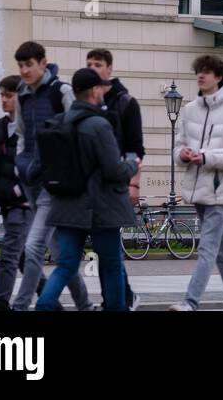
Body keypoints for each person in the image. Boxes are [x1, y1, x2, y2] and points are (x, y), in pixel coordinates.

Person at [35, 68, 137, 311]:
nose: (103, 91)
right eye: (100, 87)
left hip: (66, 206)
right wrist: (132, 165)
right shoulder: (98, 125)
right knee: (111, 264)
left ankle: (44, 305)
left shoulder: (58, 122)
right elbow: (114, 170)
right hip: (101, 208)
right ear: (94, 91)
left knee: (66, 265)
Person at [10, 40, 93, 311]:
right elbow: (22, 134)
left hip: (55, 184)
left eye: (29, 65)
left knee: (33, 247)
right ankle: (85, 305)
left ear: (43, 63)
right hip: (31, 179)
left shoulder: (62, 91)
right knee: (61, 254)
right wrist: (19, 165)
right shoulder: (22, 93)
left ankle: (20, 306)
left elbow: (79, 131)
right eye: (20, 65)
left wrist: (68, 171)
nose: (23, 71)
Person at [169, 55, 223, 311]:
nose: (200, 76)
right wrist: (183, 155)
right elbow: (178, 147)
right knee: (222, 253)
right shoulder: (189, 110)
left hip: (221, 192)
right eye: (198, 71)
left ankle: (190, 302)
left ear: (219, 77)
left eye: (206, 72)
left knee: (207, 249)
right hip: (197, 191)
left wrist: (206, 157)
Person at [87, 48, 142, 310]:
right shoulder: (89, 101)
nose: (93, 68)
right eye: (89, 64)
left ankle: (119, 301)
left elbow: (135, 148)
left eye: (97, 64)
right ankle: (119, 298)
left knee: (109, 250)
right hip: (92, 186)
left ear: (109, 69)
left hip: (116, 182)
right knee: (105, 251)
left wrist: (133, 183)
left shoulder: (126, 102)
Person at [0, 76, 30, 311]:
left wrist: (19, 190)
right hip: (5, 201)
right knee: (24, 259)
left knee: (8, 255)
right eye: (2, 95)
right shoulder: (2, 126)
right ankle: (50, 300)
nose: (3, 100)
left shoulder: (30, 129)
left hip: (22, 204)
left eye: (9, 95)